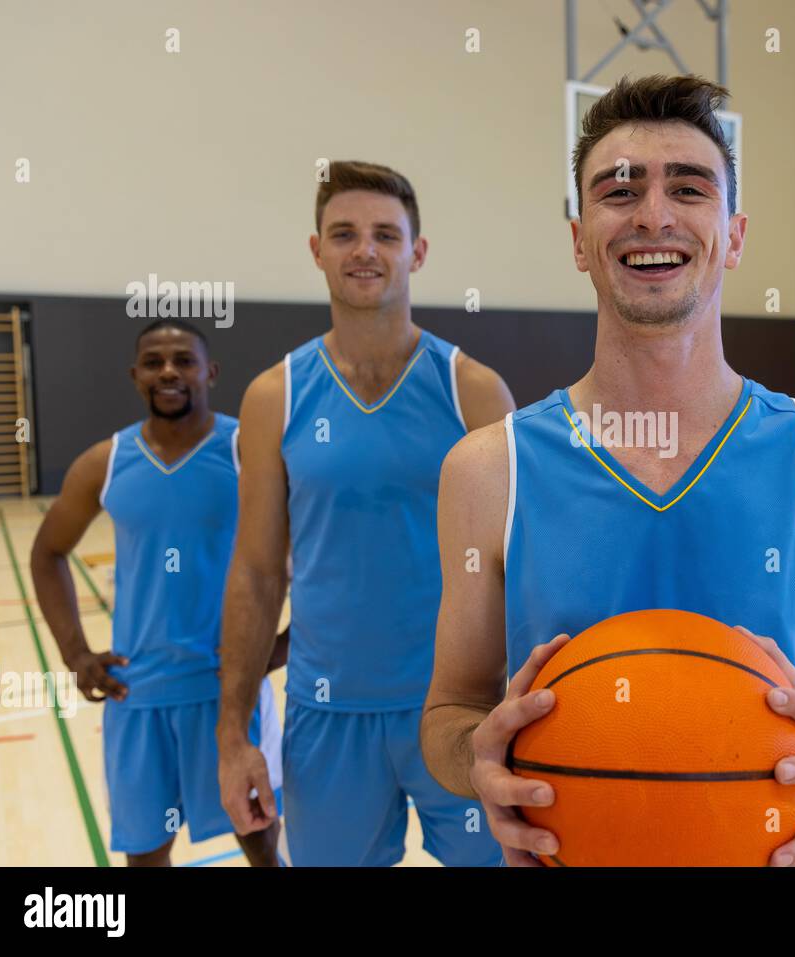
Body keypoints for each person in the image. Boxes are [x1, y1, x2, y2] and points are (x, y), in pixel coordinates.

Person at [420, 74, 795, 868]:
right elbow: (450, 709)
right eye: (618, 192)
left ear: (733, 235)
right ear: (579, 237)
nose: (653, 214)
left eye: (688, 189)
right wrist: (472, 758)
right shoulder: (490, 469)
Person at [216, 161, 514, 866]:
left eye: (385, 233)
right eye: (343, 233)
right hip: (327, 713)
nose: (364, 250)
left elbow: (522, 565)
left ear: (417, 251)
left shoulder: (472, 391)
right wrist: (233, 736)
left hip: (462, 707)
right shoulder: (274, 397)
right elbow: (257, 575)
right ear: (316, 249)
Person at [32, 319, 282, 866]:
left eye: (183, 360)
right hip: (137, 694)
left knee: (261, 843)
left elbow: (321, 555)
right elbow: (47, 553)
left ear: (209, 372)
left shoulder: (249, 452)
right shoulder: (105, 462)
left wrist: (279, 646)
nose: (168, 372)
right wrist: (74, 652)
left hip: (229, 693)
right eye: (154, 362)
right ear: (134, 375)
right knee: (144, 857)